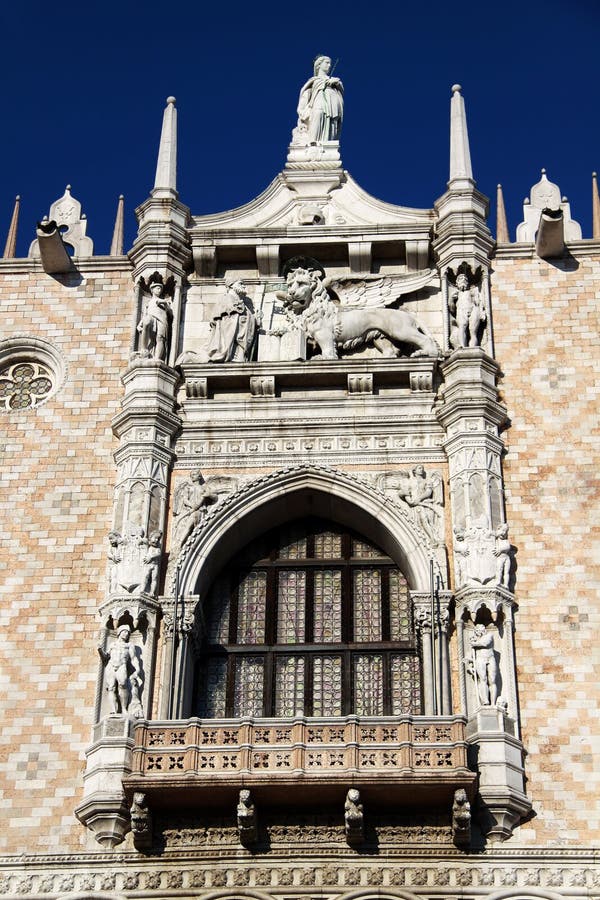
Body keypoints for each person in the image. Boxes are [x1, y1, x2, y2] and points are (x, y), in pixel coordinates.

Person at [207, 280, 258, 363]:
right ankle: (228, 354)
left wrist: (254, 320)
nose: (244, 286)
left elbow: (244, 319)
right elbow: (226, 323)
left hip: (239, 342)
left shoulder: (241, 303)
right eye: (240, 283)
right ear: (231, 285)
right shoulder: (226, 299)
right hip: (229, 339)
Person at [297, 55, 344, 144]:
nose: (329, 65)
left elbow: (341, 91)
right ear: (319, 64)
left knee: (332, 122)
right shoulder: (314, 80)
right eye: (327, 63)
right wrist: (301, 109)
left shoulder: (335, 80)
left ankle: (327, 142)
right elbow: (306, 94)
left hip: (332, 102)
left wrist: (336, 83)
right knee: (318, 114)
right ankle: (313, 142)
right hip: (319, 99)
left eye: (330, 63)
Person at [98, 625, 141, 714]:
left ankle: (124, 708)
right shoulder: (112, 644)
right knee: (111, 687)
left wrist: (137, 669)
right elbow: (105, 657)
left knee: (123, 684)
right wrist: (100, 650)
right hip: (111, 666)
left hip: (122, 665)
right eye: (124, 632)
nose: (126, 634)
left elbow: (133, 658)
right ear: (120, 633)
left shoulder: (129, 645)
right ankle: (113, 709)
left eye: (128, 633)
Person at [137, 280, 173, 361]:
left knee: (160, 338)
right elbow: (145, 315)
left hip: (162, 320)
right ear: (152, 290)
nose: (159, 290)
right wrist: (140, 324)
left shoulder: (165, 302)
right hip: (151, 318)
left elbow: (170, 314)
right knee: (147, 321)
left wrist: (165, 304)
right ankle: (144, 349)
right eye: (157, 288)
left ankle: (157, 358)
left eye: (160, 289)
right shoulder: (149, 302)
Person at [449, 273, 486, 348]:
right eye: (460, 279)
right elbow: (452, 310)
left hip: (473, 310)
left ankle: (473, 348)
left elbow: (479, 302)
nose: (463, 280)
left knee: (473, 331)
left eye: (465, 279)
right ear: (457, 283)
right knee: (462, 328)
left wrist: (482, 312)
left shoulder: (472, 291)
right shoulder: (455, 293)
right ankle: (462, 347)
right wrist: (451, 299)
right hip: (461, 311)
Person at [469, 624, 498, 706]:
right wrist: (470, 666)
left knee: (492, 680)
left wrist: (474, 643)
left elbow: (485, 643)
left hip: (490, 658)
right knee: (483, 679)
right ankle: (485, 701)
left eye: (479, 630)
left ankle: (493, 703)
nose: (478, 632)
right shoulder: (475, 640)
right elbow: (470, 655)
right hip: (480, 658)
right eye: (477, 631)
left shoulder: (489, 635)